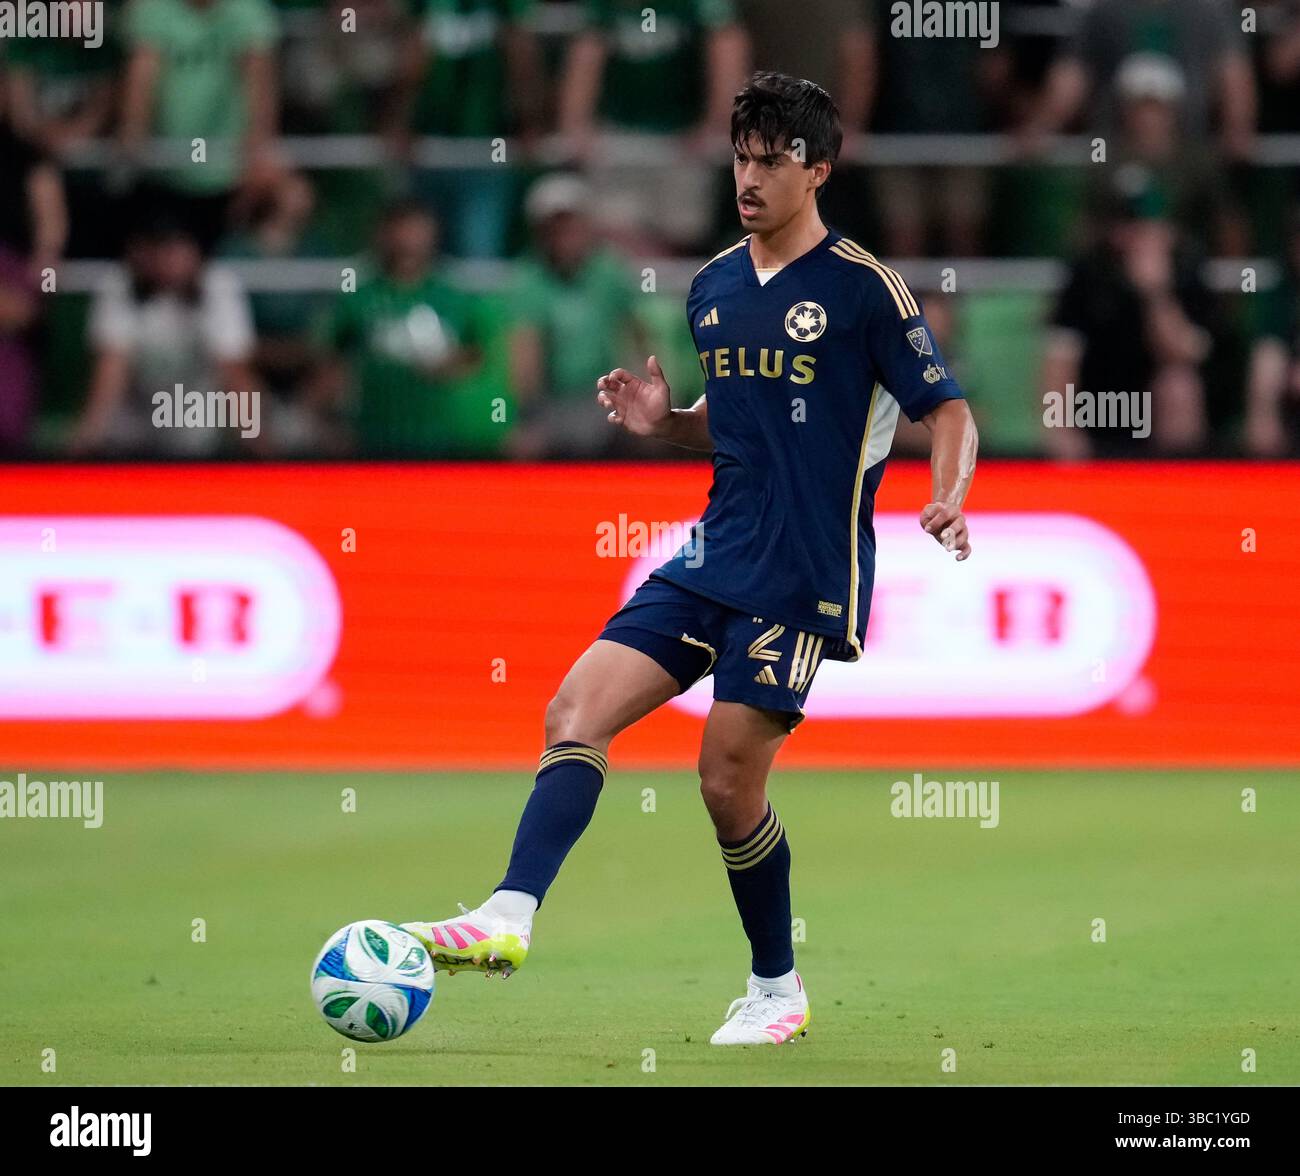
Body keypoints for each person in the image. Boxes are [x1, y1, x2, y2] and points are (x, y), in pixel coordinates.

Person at [401, 74, 978, 1045]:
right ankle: (507, 915)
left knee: (723, 781)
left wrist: (948, 492)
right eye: (740, 158)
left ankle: (775, 988)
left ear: (818, 170)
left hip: (803, 571)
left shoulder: (862, 288)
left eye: (771, 161)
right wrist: (662, 424)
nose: (748, 178)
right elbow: (732, 428)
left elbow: (947, 409)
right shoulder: (710, 287)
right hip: (711, 551)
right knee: (573, 709)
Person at [314, 201, 491, 456]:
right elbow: (328, 357)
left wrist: (449, 365)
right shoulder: (359, 296)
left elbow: (478, 356)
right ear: (382, 235)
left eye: (416, 232)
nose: (407, 242)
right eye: (400, 231)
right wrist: (330, 421)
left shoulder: (453, 295)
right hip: (373, 437)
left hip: (440, 439)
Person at [506, 172, 649, 458]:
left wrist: (645, 403)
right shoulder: (528, 279)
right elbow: (525, 355)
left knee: (649, 441)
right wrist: (530, 418)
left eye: (570, 223)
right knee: (524, 449)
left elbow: (635, 336)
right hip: (554, 404)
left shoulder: (609, 272)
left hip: (608, 400)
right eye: (555, 226)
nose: (564, 234)